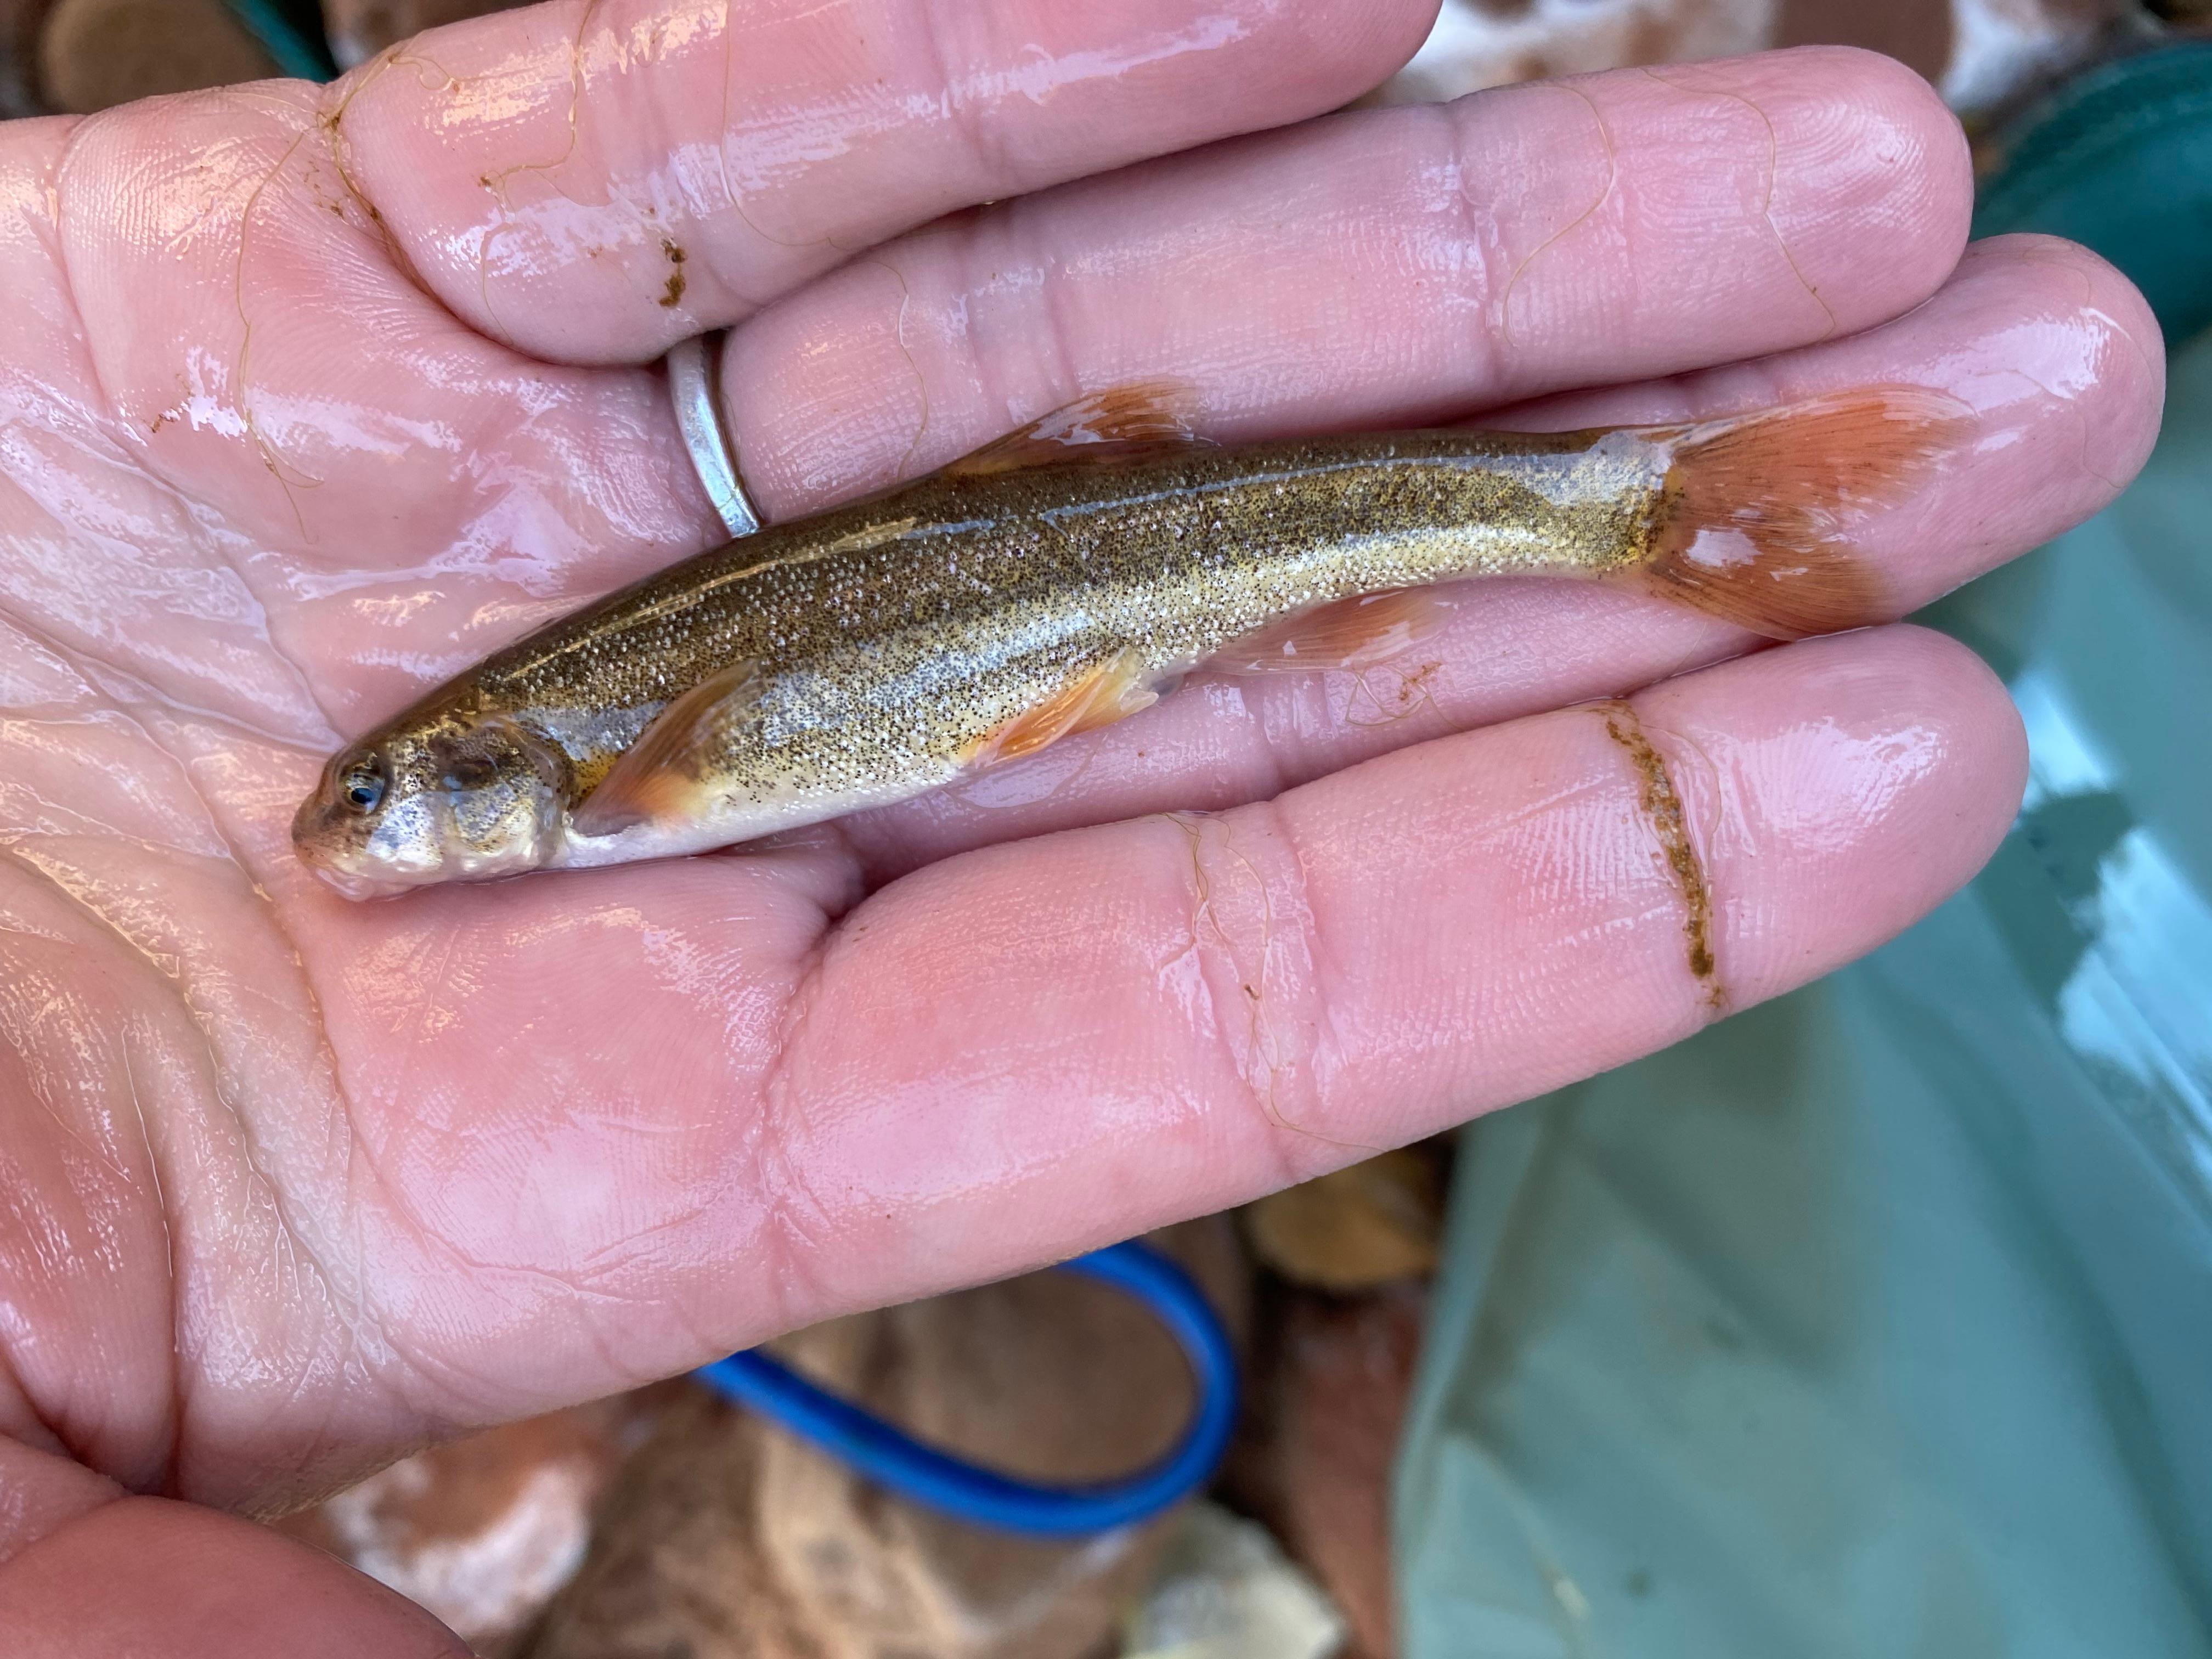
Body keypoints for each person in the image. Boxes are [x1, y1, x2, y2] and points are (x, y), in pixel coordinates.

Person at [0, 2, 2165, 1650]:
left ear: (491, 771)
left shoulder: (605, 776)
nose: (360, 834)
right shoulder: (581, 764)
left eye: (384, 798)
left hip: (1116, 565)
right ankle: (1660, 519)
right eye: (373, 799)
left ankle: (1653, 515)